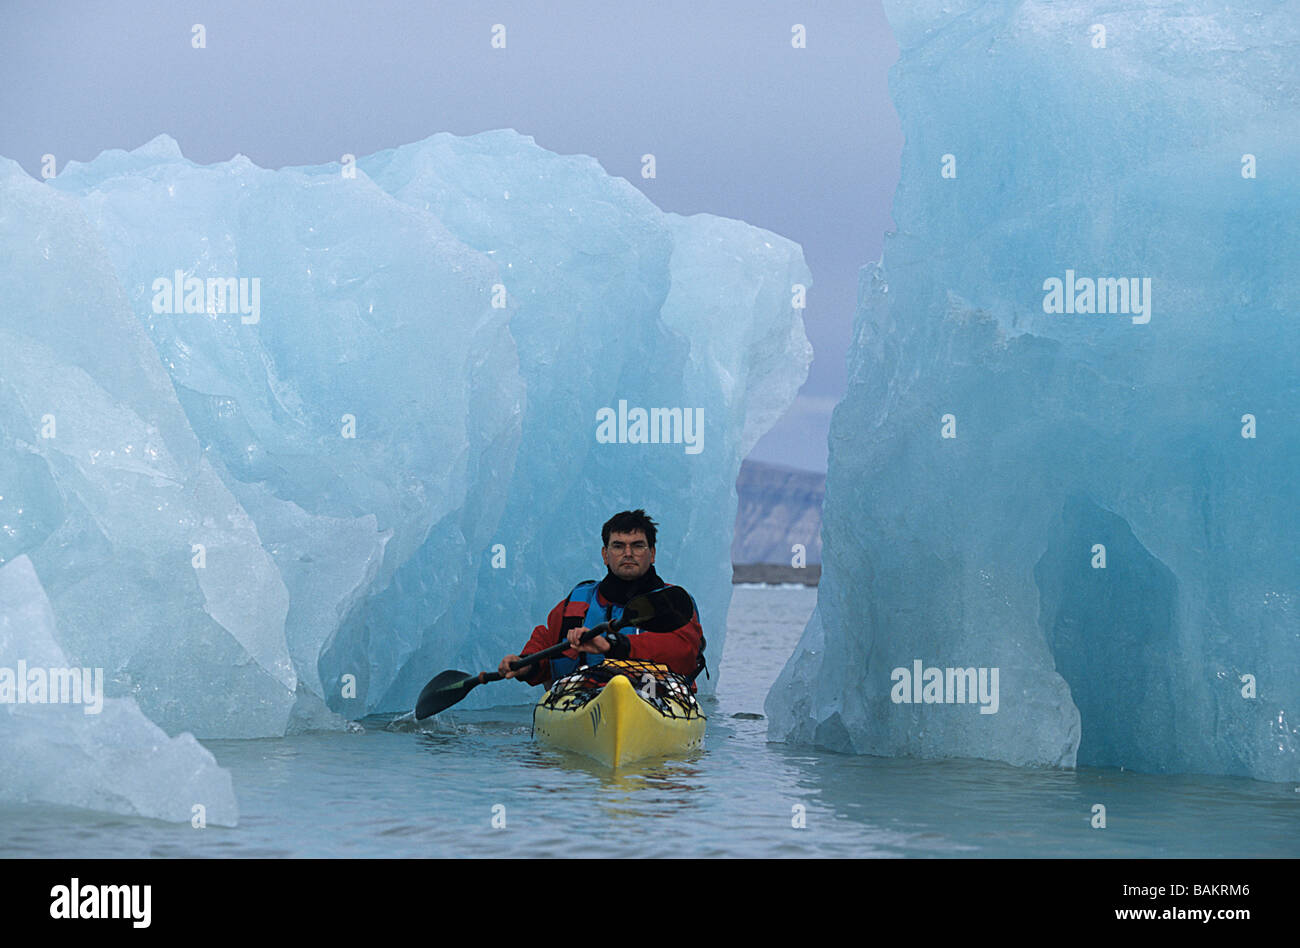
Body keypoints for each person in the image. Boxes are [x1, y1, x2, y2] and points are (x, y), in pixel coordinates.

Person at [498, 509, 705, 689]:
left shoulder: (672, 601)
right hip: (582, 700)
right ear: (605, 555)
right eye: (618, 546)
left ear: (652, 554)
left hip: (656, 698)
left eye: (638, 545)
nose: (628, 553)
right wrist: (526, 664)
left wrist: (613, 645)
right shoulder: (579, 601)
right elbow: (544, 642)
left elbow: (683, 652)